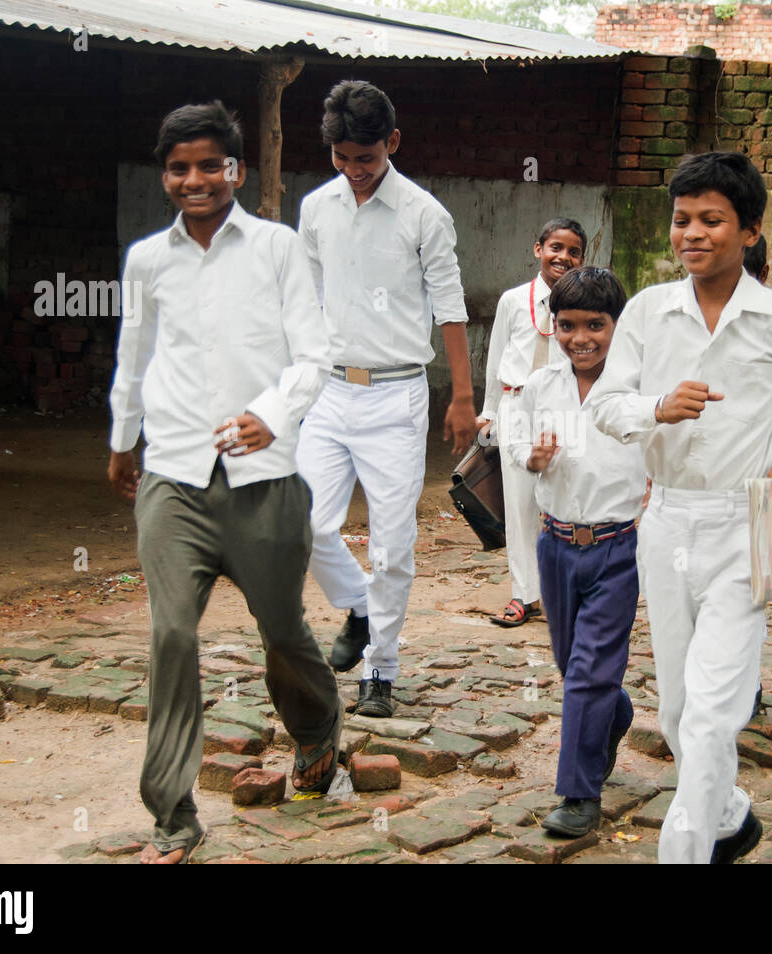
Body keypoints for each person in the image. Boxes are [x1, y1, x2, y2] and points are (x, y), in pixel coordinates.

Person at [108, 101, 342, 864]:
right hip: (173, 478)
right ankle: (173, 815)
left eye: (211, 165)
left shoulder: (277, 249)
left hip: (266, 481)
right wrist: (121, 441)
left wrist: (271, 414)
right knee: (172, 635)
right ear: (164, 175)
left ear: (237, 170)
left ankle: (315, 731)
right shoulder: (148, 259)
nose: (195, 179)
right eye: (179, 167)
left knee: (282, 630)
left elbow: (315, 355)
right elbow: (133, 355)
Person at [592, 151, 772, 864]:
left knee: (711, 714)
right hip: (666, 521)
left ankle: (687, 850)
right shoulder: (647, 312)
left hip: (753, 521)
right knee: (676, 712)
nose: (692, 234)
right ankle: (729, 813)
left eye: (712, 220)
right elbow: (606, 405)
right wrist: (657, 408)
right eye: (682, 220)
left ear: (752, 229)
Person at [295, 80, 477, 718]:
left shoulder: (425, 213)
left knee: (392, 545)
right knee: (307, 524)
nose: (354, 172)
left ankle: (382, 669)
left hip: (397, 397)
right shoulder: (316, 208)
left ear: (392, 143)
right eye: (342, 159)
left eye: (365, 160)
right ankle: (362, 608)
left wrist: (461, 396)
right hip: (329, 390)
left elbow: (451, 308)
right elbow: (307, 303)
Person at [504, 266, 644, 837]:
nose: (580, 338)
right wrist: (531, 458)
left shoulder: (637, 387)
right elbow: (515, 441)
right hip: (556, 546)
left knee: (587, 671)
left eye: (596, 325)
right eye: (567, 326)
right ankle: (615, 712)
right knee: (572, 665)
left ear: (618, 325)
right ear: (552, 326)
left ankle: (580, 794)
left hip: (617, 547)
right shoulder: (541, 386)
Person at [477, 218, 588, 627]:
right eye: (556, 247)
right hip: (517, 405)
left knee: (568, 500)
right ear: (538, 249)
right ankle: (524, 595)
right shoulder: (512, 300)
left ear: (582, 259)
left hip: (564, 407)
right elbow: (496, 357)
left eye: (574, 251)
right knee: (520, 504)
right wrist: (490, 411)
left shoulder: (583, 303)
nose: (563, 257)